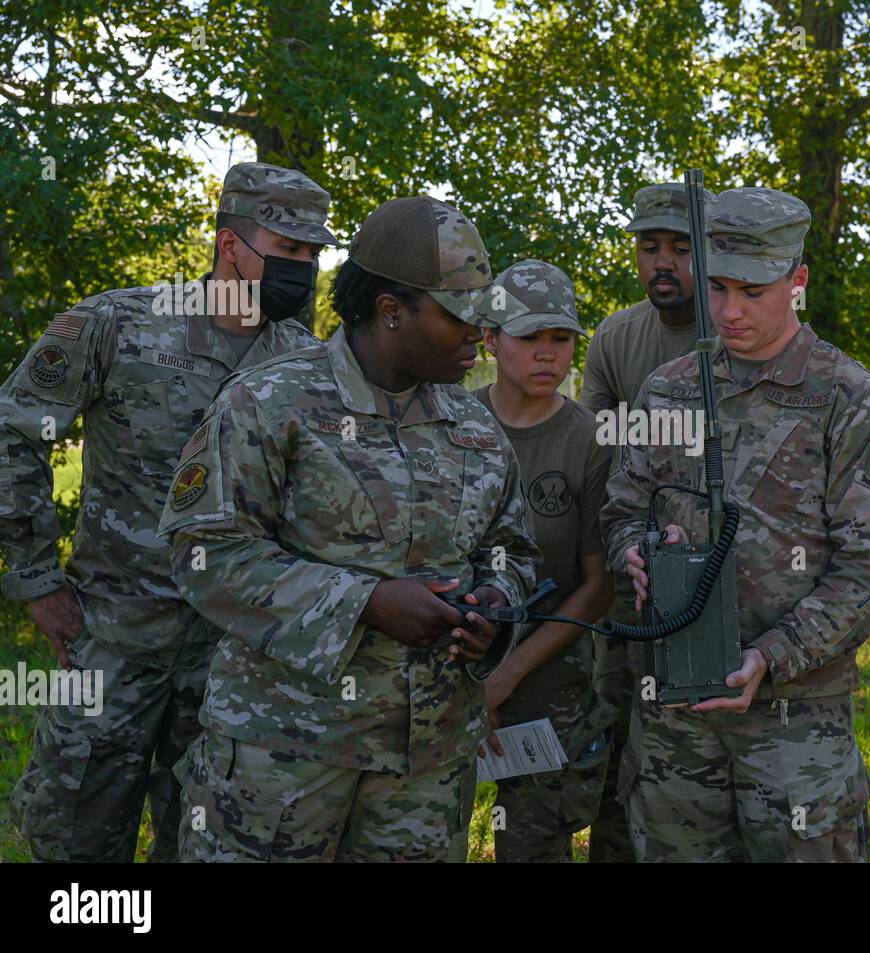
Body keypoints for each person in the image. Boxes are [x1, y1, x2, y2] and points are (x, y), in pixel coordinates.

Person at [158, 195, 540, 862]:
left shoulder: (477, 428)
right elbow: (204, 553)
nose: (480, 336)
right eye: (459, 317)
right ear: (391, 310)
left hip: (426, 767)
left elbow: (512, 550)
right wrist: (364, 601)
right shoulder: (269, 402)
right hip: (282, 760)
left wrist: (496, 608)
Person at [2, 161, 336, 862]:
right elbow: (14, 432)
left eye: (312, 255)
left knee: (211, 844)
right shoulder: (118, 323)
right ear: (229, 245)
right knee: (77, 841)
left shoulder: (309, 364)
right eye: (288, 250)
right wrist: (35, 579)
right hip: (114, 637)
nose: (301, 270)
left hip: (234, 660)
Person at [601, 187, 870, 862]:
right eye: (716, 287)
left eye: (754, 290)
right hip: (674, 720)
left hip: (794, 725)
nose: (729, 311)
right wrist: (634, 555)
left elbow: (864, 575)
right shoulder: (668, 389)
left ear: (796, 280)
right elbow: (622, 509)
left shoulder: (851, 401)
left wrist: (770, 657)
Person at [578, 181, 715, 862]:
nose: (664, 261)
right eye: (650, 246)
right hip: (628, 576)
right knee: (615, 729)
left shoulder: (736, 330)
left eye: (681, 247)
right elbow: (598, 461)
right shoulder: (615, 337)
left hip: (718, 575)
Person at [471, 259, 617, 862]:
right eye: (529, 337)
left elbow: (598, 584)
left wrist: (509, 675)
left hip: (549, 677)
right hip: (445, 670)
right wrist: (477, 678)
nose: (547, 355)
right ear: (489, 339)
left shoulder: (590, 440)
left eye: (561, 339)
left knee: (533, 845)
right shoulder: (452, 424)